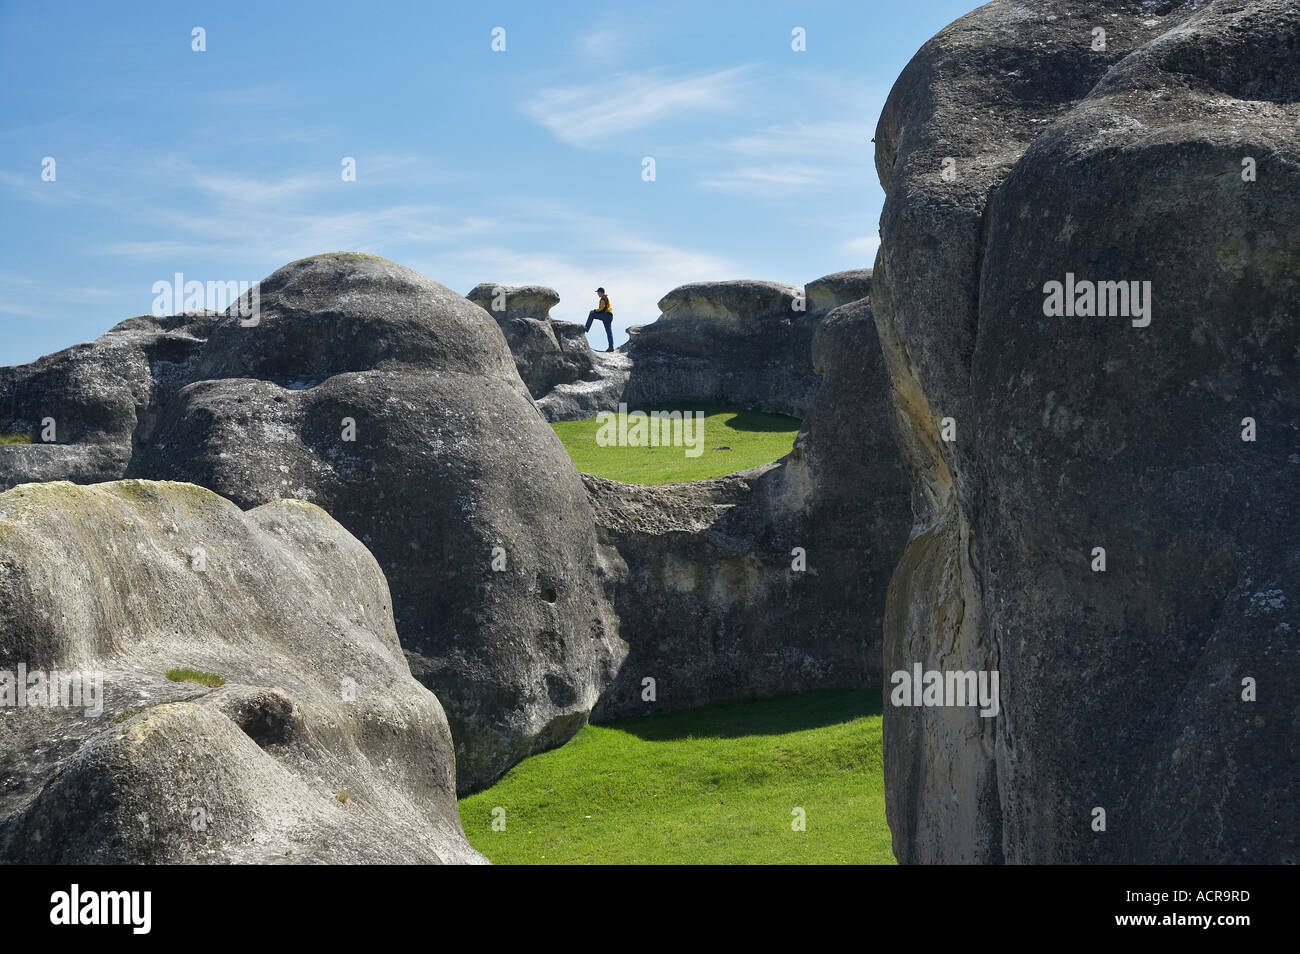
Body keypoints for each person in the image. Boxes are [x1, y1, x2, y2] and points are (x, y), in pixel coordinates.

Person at [585, 287, 615, 352]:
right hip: (609, 316)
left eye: (598, 292)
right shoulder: (606, 298)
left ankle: (586, 328)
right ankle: (611, 347)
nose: (597, 294)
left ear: (601, 292)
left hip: (605, 315)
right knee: (609, 332)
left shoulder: (603, 298)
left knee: (592, 314)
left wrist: (594, 311)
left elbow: (602, 308)